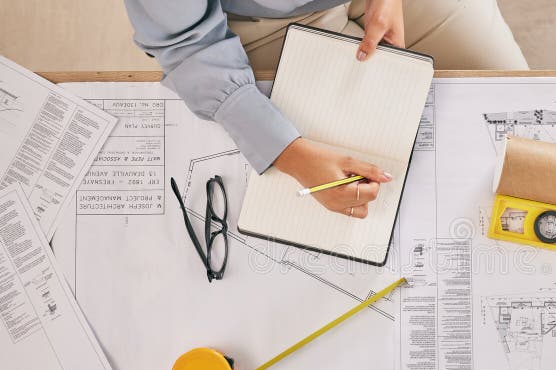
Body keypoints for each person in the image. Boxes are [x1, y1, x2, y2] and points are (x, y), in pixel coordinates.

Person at [125, 0, 528, 218]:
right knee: (380, 196)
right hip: (261, 20)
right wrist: (287, 151)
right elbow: (187, 44)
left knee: (520, 106)